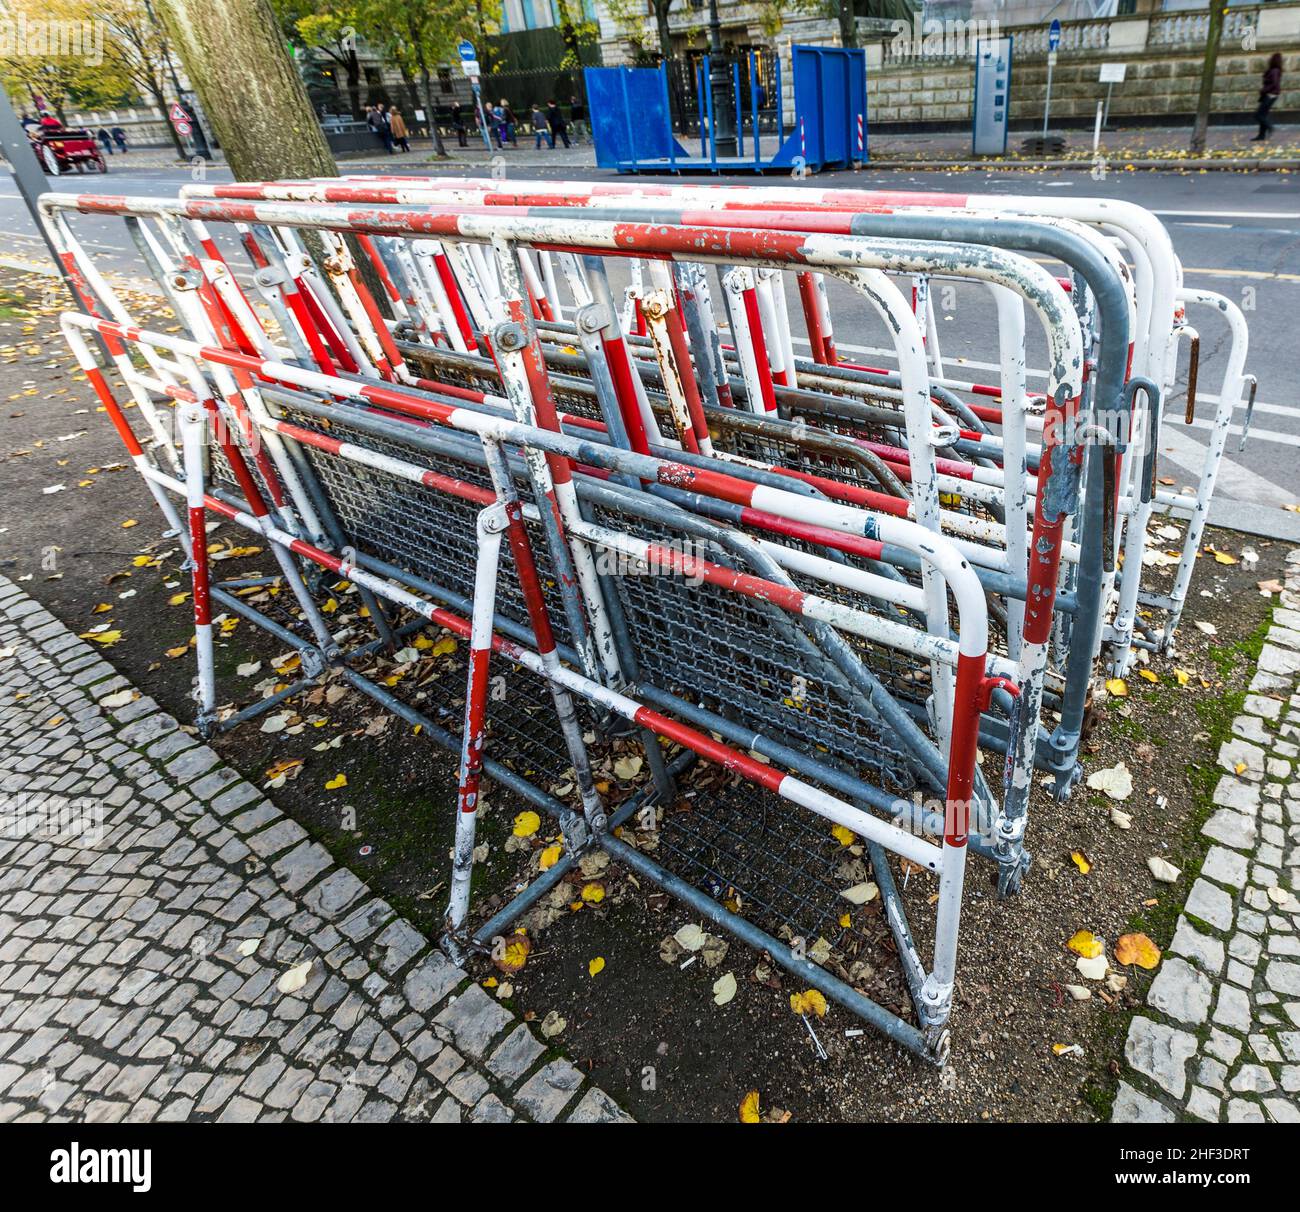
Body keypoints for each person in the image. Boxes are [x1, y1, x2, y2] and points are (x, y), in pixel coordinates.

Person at [1253, 53, 1283, 142]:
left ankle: (1270, 127)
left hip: (1270, 95)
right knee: (1263, 114)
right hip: (1270, 94)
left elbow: (1275, 84)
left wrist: (1264, 90)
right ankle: (1261, 135)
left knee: (1259, 115)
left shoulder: (1274, 71)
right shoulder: (1275, 70)